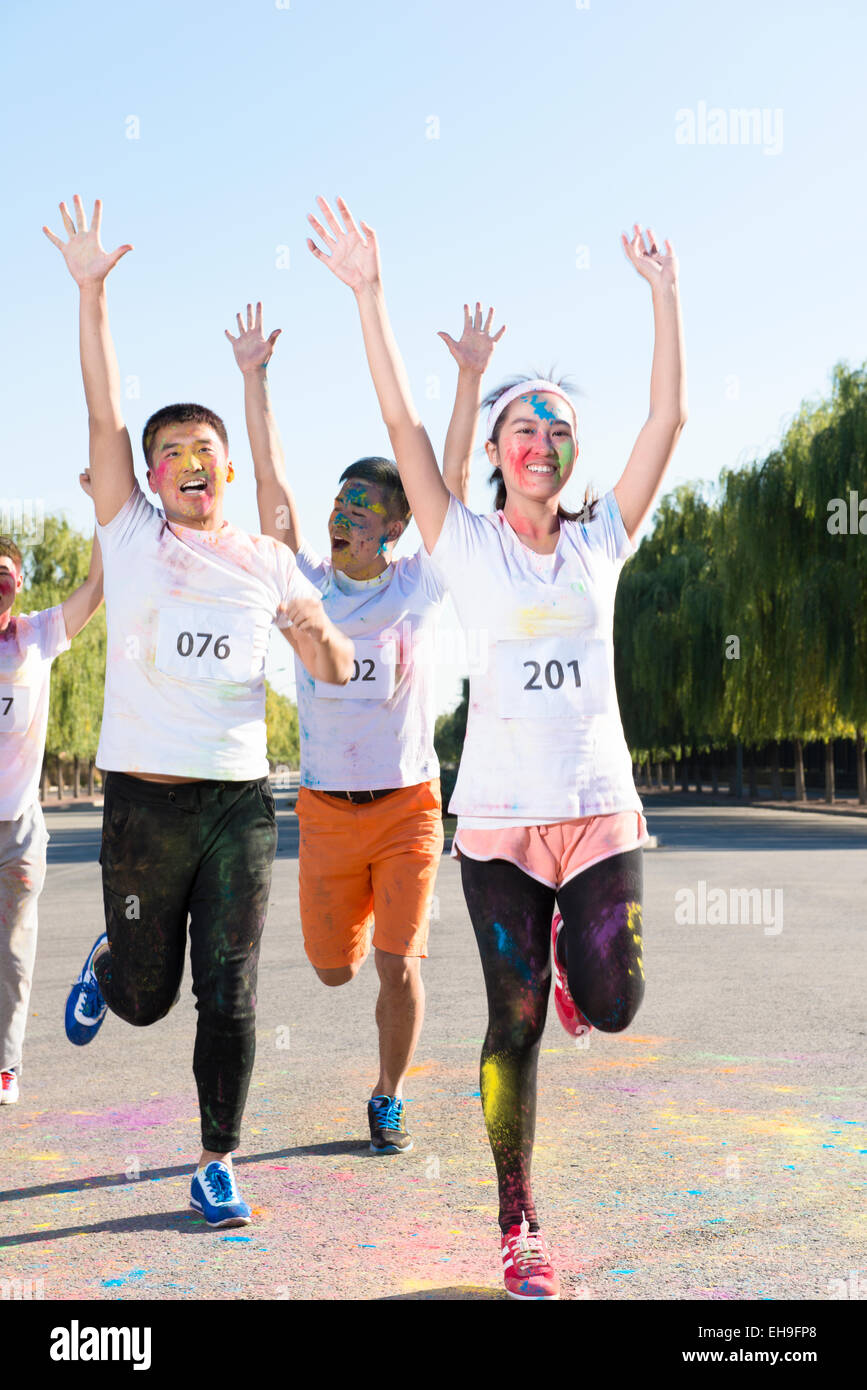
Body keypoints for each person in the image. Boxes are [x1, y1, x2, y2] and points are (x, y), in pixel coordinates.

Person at [305, 196, 686, 1298]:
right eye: (524, 425)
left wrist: (663, 295)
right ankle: (518, 1220)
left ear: (571, 455)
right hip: (501, 827)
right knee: (511, 1020)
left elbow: (668, 420)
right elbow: (404, 421)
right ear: (499, 454)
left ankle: (583, 974)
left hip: (599, 807)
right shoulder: (462, 546)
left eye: (559, 427)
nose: (542, 439)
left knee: (614, 1004)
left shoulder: (603, 538)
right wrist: (371, 296)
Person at [44, 196, 353, 1229]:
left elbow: (318, 630)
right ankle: (109, 960)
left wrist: (330, 647)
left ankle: (218, 1158)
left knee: (233, 990)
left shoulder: (263, 556)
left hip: (236, 806)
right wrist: (91, 294)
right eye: (167, 448)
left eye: (202, 448)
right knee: (146, 997)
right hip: (141, 806)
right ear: (147, 474)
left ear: (224, 468)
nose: (186, 460)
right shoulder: (130, 536)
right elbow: (100, 413)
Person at [224, 298, 503, 1154]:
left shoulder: (416, 585)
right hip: (322, 811)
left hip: (409, 807)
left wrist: (468, 377)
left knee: (398, 963)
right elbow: (269, 489)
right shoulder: (301, 585)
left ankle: (388, 1095)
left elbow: (445, 480)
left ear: (391, 526)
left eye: (358, 506)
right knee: (334, 968)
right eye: (337, 502)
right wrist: (253, 376)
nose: (340, 514)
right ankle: (360, 978)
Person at [0, 476, 104, 1106]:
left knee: (13, 951)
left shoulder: (37, 636)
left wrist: (102, 511)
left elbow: (95, 588)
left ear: (19, 582)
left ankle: (5, 1065)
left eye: (6, 569)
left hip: (18, 831)